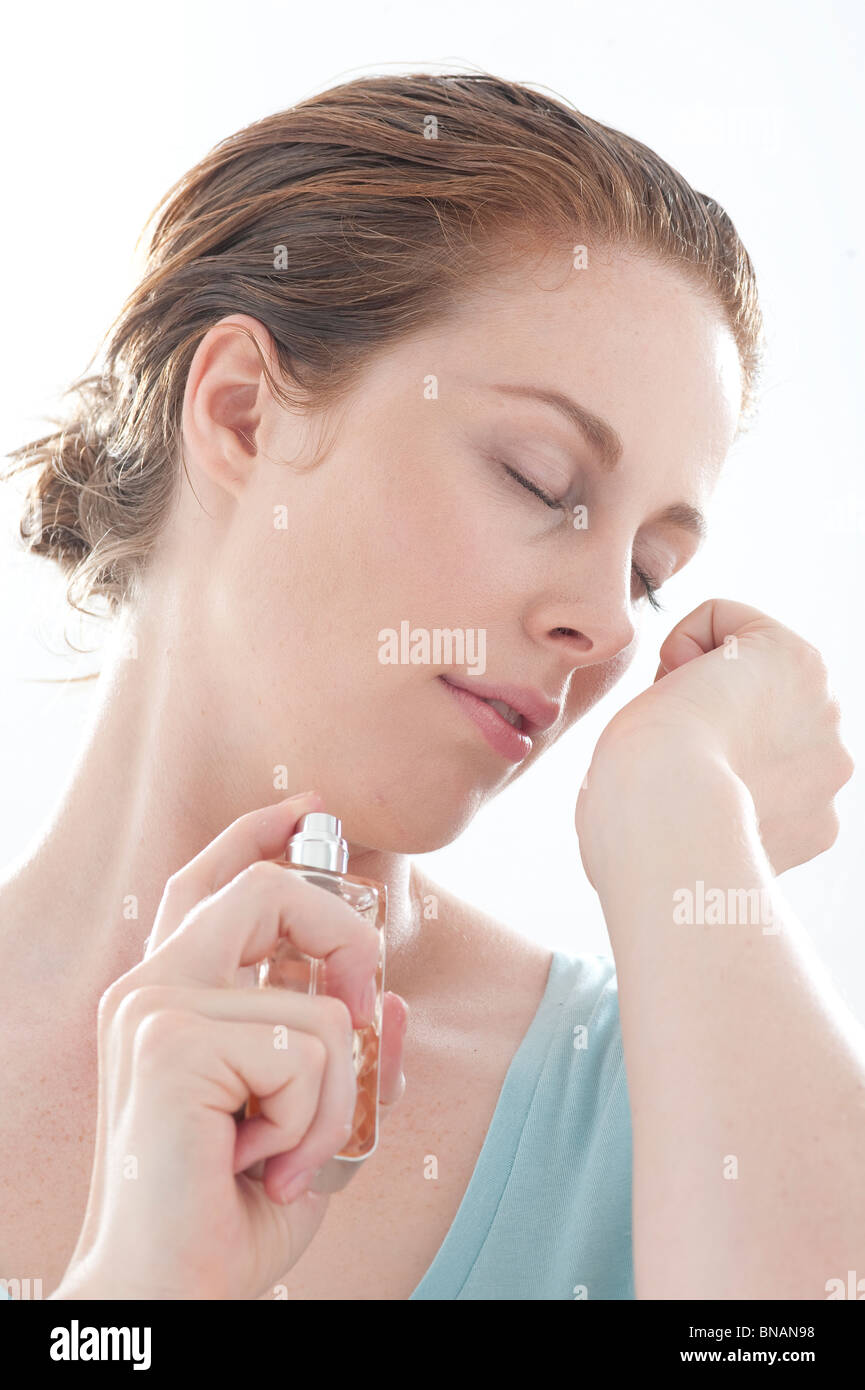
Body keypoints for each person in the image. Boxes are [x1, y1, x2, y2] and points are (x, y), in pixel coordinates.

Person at [0, 70, 860, 1302]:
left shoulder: (682, 1103)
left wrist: (682, 823)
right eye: (534, 477)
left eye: (653, 571)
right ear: (242, 413)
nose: (609, 622)